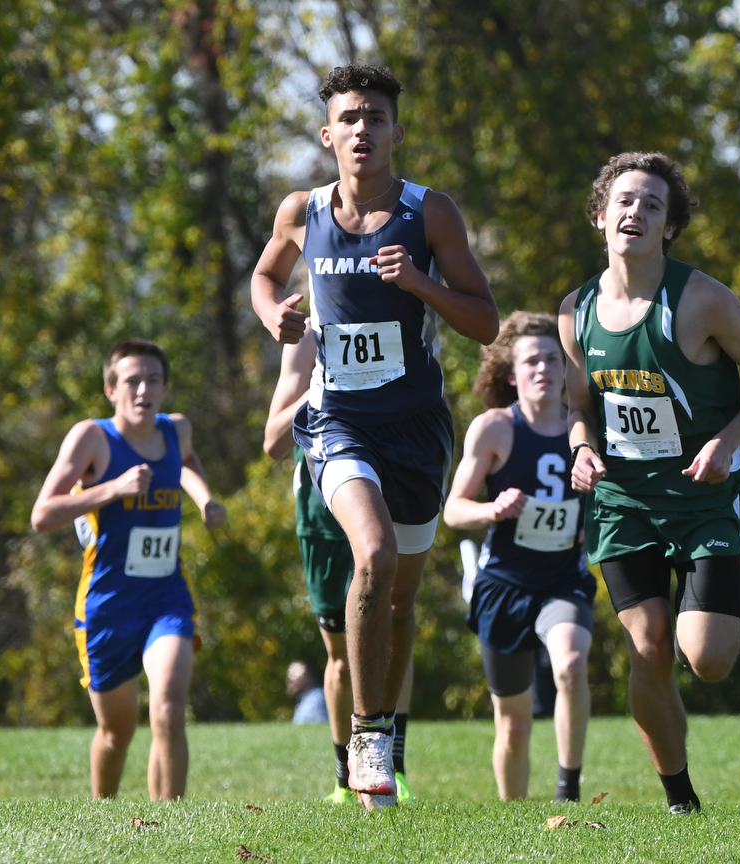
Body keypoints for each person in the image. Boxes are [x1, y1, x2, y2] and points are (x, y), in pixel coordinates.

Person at [250, 63, 498, 809]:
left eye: (376, 117)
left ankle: (384, 739)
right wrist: (275, 318)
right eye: (350, 118)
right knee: (375, 555)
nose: (363, 129)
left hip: (418, 429)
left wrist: (420, 283)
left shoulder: (431, 215)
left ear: (396, 130)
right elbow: (264, 279)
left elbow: (485, 322)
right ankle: (366, 740)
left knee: (400, 598)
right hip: (336, 420)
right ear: (329, 134)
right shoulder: (302, 210)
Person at [559, 152, 740, 814]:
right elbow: (580, 409)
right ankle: (679, 798)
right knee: (648, 648)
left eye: (652, 205)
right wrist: (581, 450)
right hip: (624, 502)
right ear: (600, 216)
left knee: (707, 658)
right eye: (625, 201)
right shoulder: (575, 314)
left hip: (702, 498)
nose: (636, 212)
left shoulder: (703, 300)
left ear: (670, 229)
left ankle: (684, 693)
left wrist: (727, 441)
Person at [30, 339, 226, 800]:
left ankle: (169, 829)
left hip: (165, 597)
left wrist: (205, 500)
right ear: (110, 389)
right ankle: (105, 813)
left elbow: (186, 461)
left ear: (164, 388)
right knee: (117, 732)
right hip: (107, 604)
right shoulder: (92, 439)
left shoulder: (175, 430)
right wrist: (112, 488)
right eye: (132, 381)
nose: (143, 390)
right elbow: (42, 515)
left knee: (168, 709)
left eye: (153, 380)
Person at [444, 311, 596, 802]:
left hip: (562, 580)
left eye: (553, 359)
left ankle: (567, 789)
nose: (543, 370)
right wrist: (493, 508)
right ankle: (514, 818)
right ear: (512, 373)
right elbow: (453, 511)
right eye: (531, 361)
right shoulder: (494, 429)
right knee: (512, 724)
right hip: (504, 585)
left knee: (571, 663)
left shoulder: (587, 431)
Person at [263, 327, 415, 804]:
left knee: (391, 619)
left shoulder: (393, 319)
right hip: (321, 512)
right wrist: (323, 387)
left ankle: (393, 763)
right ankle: (342, 774)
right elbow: (272, 441)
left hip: (384, 489)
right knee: (340, 655)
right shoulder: (305, 341)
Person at [287, 661, 329, 725]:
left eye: (295, 674)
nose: (291, 680)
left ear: (308, 677)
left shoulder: (316, 700)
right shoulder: (304, 700)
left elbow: (320, 726)